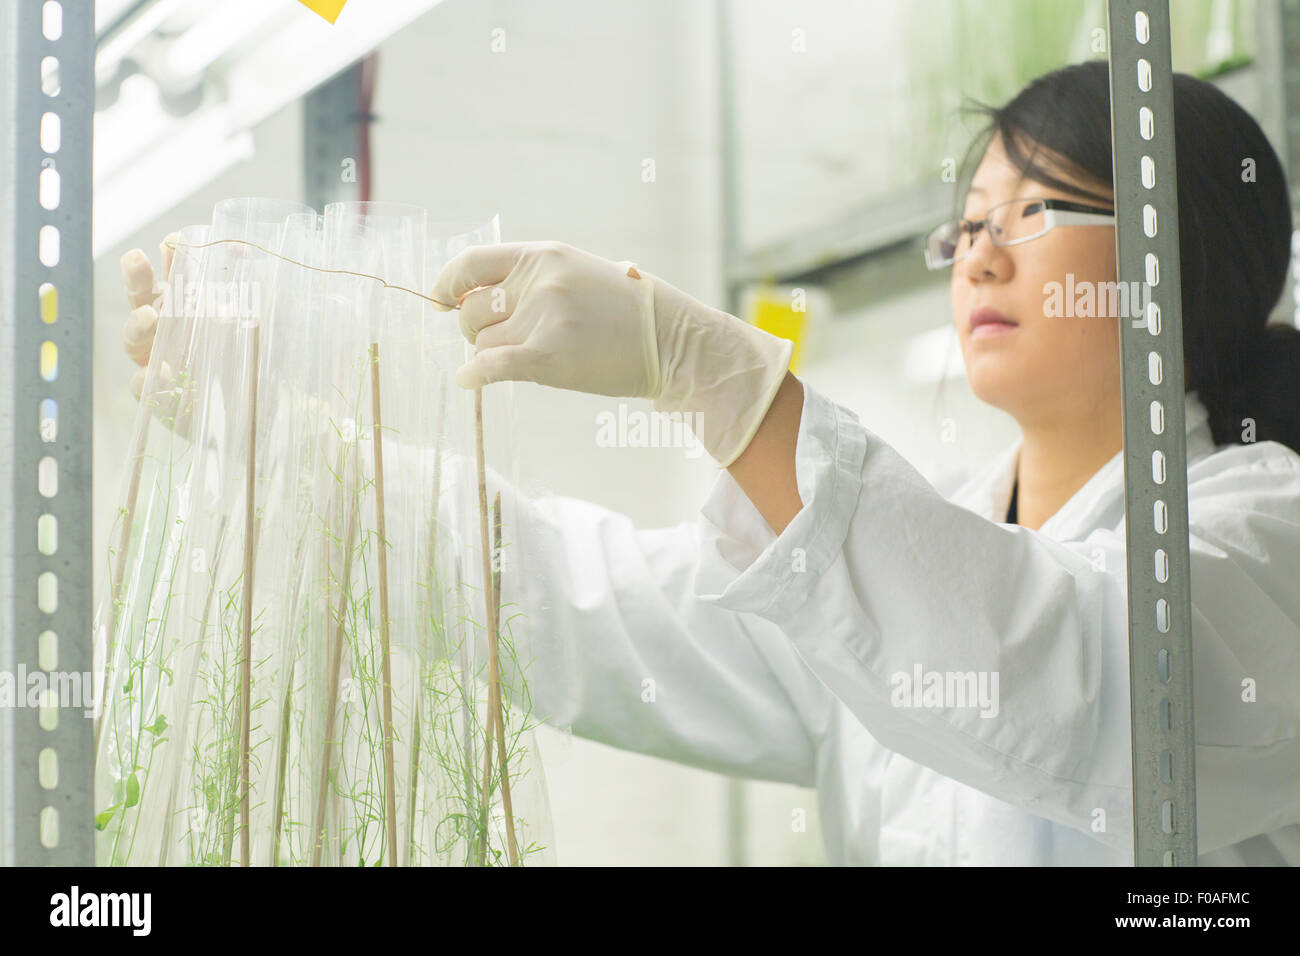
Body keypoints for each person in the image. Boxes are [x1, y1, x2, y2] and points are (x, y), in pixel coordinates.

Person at [120, 61, 1300, 865]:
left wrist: (714, 375)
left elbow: (1077, 673)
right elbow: (581, 599)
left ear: (1181, 254)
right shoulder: (914, 536)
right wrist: (295, 446)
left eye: (1038, 210)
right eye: (970, 220)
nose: (980, 256)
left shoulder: (1267, 529)